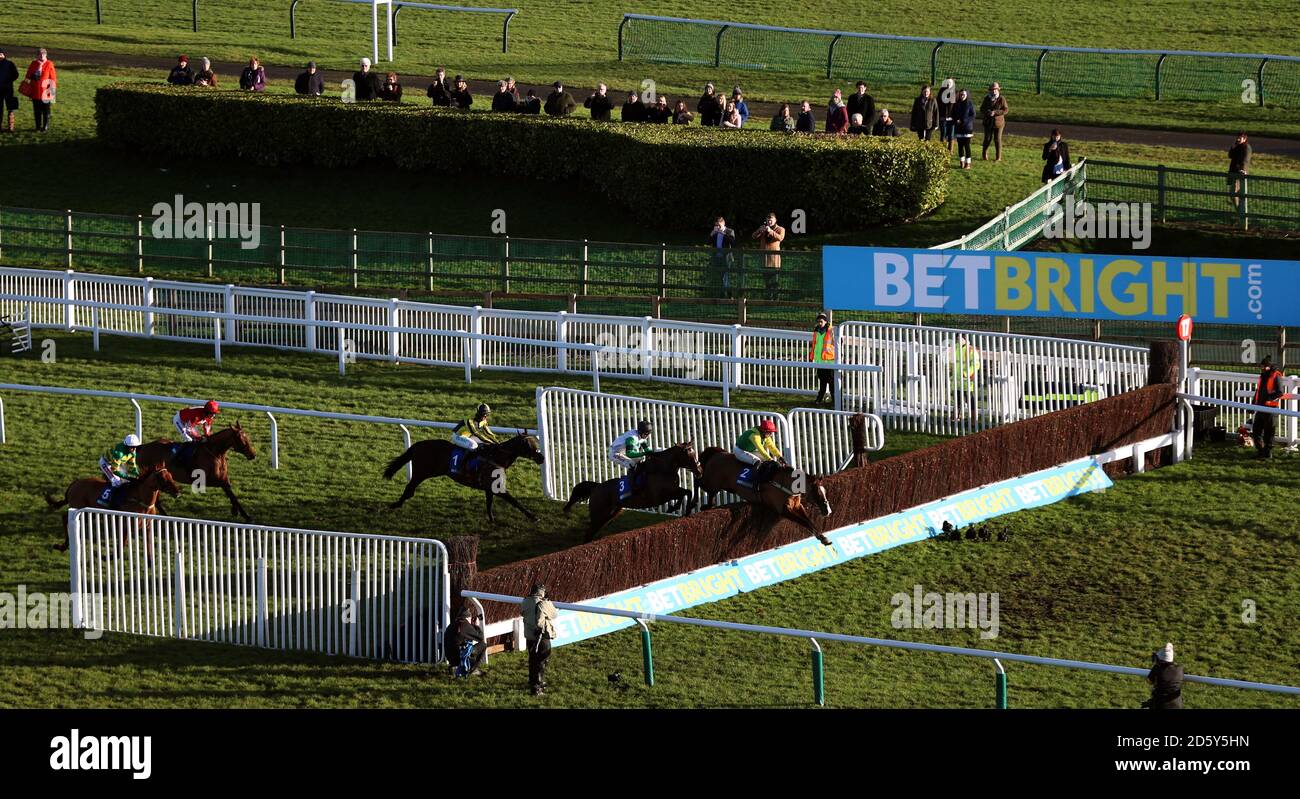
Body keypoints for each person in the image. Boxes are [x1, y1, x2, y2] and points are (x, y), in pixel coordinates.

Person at [521, 582, 557, 695]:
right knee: (542, 660)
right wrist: (548, 602)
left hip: (530, 636)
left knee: (532, 659)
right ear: (541, 592)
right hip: (542, 637)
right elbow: (554, 614)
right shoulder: (543, 603)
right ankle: (537, 687)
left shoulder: (525, 601)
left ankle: (533, 682)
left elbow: (522, 613)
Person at [732, 419, 786, 487]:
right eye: (770, 432)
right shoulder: (754, 436)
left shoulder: (765, 435)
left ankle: (765, 478)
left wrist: (780, 457)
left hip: (751, 450)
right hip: (739, 451)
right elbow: (761, 449)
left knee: (767, 460)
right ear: (764, 431)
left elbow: (772, 447)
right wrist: (770, 459)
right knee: (757, 461)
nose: (771, 435)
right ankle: (753, 482)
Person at [1250, 356, 1285, 458]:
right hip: (1260, 408)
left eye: (1263, 367)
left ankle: (1267, 453)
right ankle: (1260, 451)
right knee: (1256, 431)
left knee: (1268, 433)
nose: (1261, 369)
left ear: (1268, 367)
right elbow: (1258, 392)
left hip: (1270, 409)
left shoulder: (1276, 376)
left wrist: (1268, 398)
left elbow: (1280, 392)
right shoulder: (1262, 376)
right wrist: (1252, 405)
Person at [450, 403, 501, 473]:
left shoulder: (483, 421)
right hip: (457, 436)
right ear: (479, 413)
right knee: (473, 445)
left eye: (487, 414)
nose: (485, 416)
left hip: (468, 436)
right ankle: (461, 465)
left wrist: (497, 442)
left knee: (485, 444)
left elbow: (489, 433)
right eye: (484, 414)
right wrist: (490, 442)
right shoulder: (470, 419)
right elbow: (476, 433)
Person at [97, 434, 142, 507]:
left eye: (135, 447)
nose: (133, 449)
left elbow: (132, 466)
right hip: (106, 463)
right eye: (131, 447)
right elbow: (114, 470)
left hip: (118, 463)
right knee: (116, 481)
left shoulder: (133, 452)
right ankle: (104, 499)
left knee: (126, 481)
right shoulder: (119, 453)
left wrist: (137, 475)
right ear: (126, 446)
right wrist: (126, 477)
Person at [19, 48, 57, 132]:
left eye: (43, 54)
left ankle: (45, 126)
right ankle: (38, 126)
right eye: (40, 54)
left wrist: (52, 92)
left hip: (46, 91)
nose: (42, 55)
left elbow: (53, 78)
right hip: (35, 90)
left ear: (46, 55)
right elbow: (28, 75)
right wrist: (34, 73)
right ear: (37, 55)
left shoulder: (49, 64)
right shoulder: (33, 63)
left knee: (46, 110)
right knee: (37, 110)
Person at [608, 420, 654, 486]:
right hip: (615, 453)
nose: (648, 436)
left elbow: (647, 450)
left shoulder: (641, 435)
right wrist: (644, 454)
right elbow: (630, 454)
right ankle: (632, 486)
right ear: (641, 432)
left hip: (624, 451)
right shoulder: (632, 438)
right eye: (646, 434)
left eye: (649, 434)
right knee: (632, 464)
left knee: (640, 459)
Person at [752, 212, 785, 300]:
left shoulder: (780, 229)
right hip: (764, 260)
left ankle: (776, 298)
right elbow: (754, 236)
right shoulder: (763, 228)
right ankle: (768, 298)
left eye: (771, 220)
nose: (769, 221)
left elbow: (780, 238)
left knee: (775, 281)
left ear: (775, 220)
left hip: (774, 260)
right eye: (768, 220)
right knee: (766, 280)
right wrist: (760, 230)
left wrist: (771, 231)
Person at [447, 605, 486, 677]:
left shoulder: (451, 625)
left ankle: (454, 666)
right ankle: (473, 669)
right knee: (483, 645)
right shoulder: (465, 624)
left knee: (463, 645)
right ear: (468, 617)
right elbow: (480, 637)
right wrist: (476, 625)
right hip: (459, 656)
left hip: (449, 657)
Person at [1143, 643, 1183, 709]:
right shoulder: (1179, 668)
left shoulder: (1157, 668)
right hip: (1177, 704)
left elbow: (1149, 681)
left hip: (1161, 704)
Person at [951, 334, 982, 421]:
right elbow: (952, 361)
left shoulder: (970, 349)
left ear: (965, 339)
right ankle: (956, 416)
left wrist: (966, 373)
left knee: (970, 399)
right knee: (957, 398)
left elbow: (976, 365)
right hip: (956, 379)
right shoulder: (955, 348)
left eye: (960, 339)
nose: (958, 341)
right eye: (957, 339)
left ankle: (973, 418)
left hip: (967, 379)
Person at [810, 312, 836, 405]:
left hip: (829, 361)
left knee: (832, 382)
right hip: (820, 360)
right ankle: (819, 399)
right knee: (822, 382)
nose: (819, 323)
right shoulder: (817, 330)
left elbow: (837, 342)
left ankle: (835, 400)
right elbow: (815, 345)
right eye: (818, 322)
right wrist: (812, 356)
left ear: (826, 321)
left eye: (821, 321)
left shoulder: (831, 330)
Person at [980, 82, 1008, 161]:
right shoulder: (987, 98)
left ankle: (998, 157)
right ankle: (984, 154)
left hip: (998, 123)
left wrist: (995, 112)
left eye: (995, 89)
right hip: (988, 122)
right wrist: (988, 112)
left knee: (997, 140)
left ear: (998, 90)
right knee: (987, 139)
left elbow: (1005, 110)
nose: (994, 91)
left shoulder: (1001, 99)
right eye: (992, 90)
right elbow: (982, 109)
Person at [709, 217, 736, 296]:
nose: (718, 227)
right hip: (717, 257)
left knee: (725, 276)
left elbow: (733, 242)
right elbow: (708, 242)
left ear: (723, 223)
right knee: (720, 276)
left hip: (727, 257)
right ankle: (723, 294)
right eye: (716, 225)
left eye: (719, 225)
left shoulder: (730, 231)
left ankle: (728, 293)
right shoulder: (715, 232)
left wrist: (723, 233)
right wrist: (712, 233)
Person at [1228, 131, 1251, 211]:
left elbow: (1246, 160)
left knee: (1233, 193)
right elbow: (1230, 156)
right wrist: (1233, 147)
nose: (1237, 139)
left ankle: (1240, 212)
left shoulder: (1246, 147)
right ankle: (1240, 212)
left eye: (1239, 138)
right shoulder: (1237, 146)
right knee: (1235, 193)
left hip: (1239, 173)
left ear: (1244, 139)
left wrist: (1243, 170)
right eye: (1237, 137)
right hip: (1234, 172)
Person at [954, 88, 976, 169]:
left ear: (966, 95)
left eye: (964, 94)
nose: (962, 96)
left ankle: (968, 163)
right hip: (959, 128)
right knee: (960, 146)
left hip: (967, 128)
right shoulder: (957, 104)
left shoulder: (970, 104)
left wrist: (964, 121)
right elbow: (954, 114)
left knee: (967, 146)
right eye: (961, 94)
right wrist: (956, 120)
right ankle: (961, 162)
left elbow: (973, 115)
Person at [0, 49, 20, 133]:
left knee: (10, 108)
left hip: (8, 89)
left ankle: (11, 127)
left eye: (0, 54)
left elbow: (16, 74)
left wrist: (8, 80)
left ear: (3, 54)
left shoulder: (10, 63)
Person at [937, 77, 957, 151]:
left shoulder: (955, 93)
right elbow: (938, 104)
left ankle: (950, 151)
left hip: (952, 118)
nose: (948, 85)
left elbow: (956, 106)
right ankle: (942, 150)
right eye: (947, 83)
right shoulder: (941, 92)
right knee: (943, 134)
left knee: (951, 135)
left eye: (950, 83)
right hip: (943, 117)